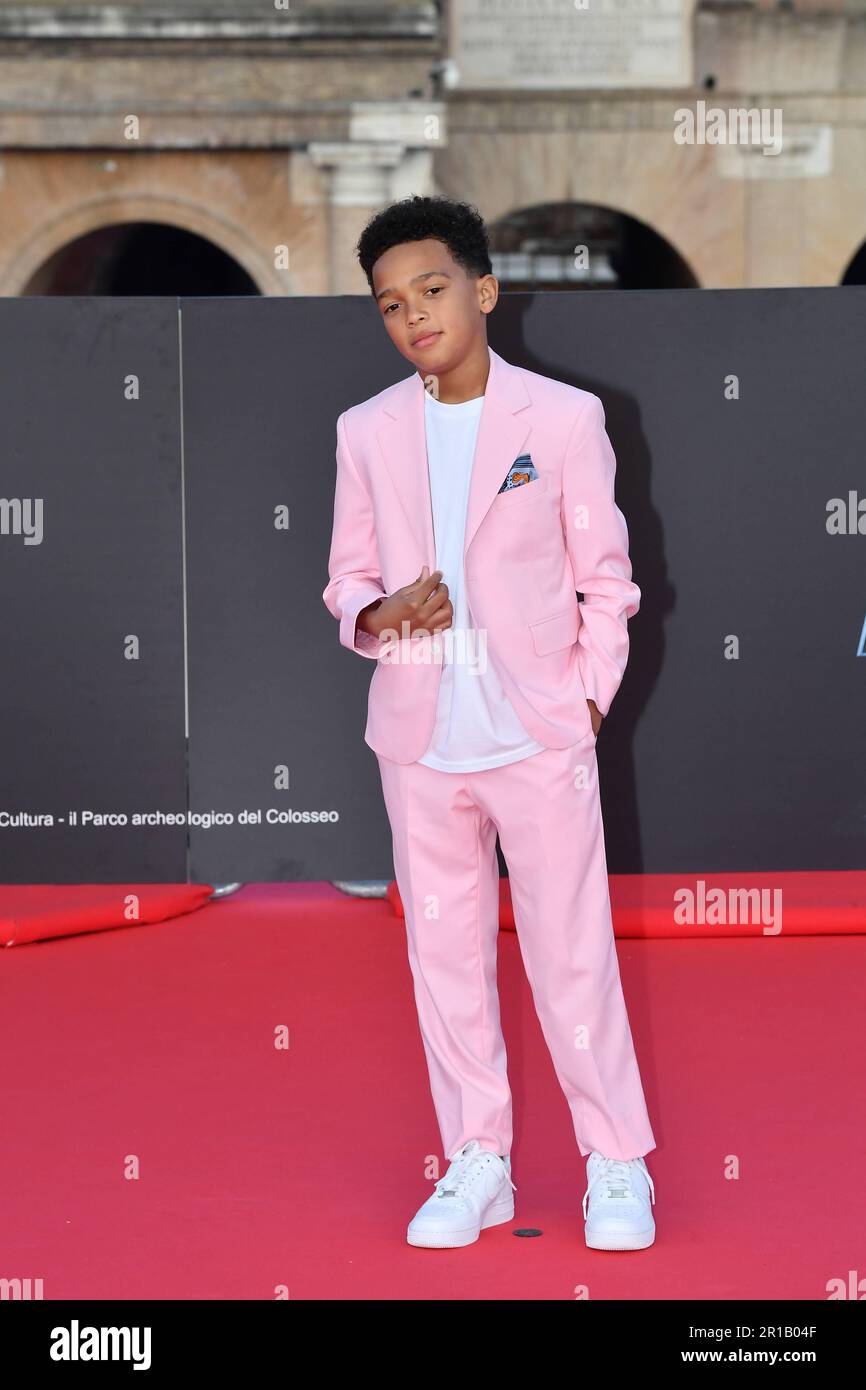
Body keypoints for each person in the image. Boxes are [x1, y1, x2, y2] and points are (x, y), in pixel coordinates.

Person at [322, 195, 657, 1251]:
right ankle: (479, 1162)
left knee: (570, 957)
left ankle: (614, 1163)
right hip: (418, 740)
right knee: (444, 960)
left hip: (536, 731)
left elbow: (608, 583)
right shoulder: (365, 430)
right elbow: (345, 580)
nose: (412, 315)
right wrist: (376, 616)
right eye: (388, 304)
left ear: (482, 289)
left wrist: (584, 703)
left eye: (429, 289)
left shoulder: (560, 420)